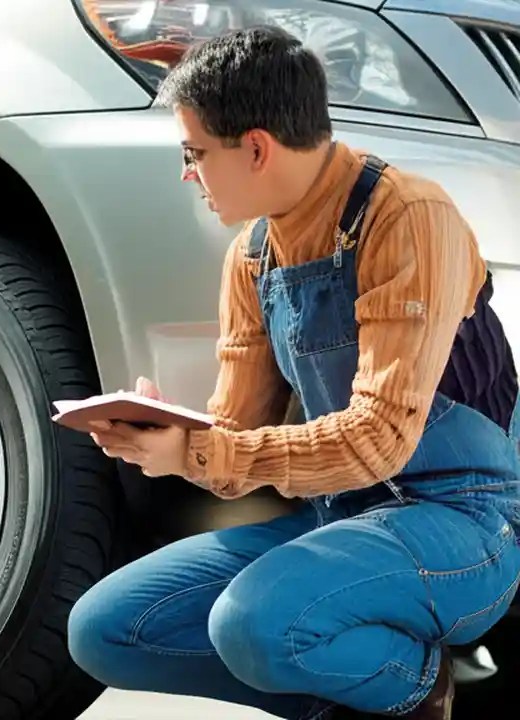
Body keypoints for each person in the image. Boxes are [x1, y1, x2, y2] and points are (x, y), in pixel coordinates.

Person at [67, 25, 520, 720]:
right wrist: (164, 434)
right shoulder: (252, 255)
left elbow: (379, 440)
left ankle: (418, 689)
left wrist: (202, 448)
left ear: (255, 147)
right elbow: (231, 444)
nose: (187, 174)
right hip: (341, 519)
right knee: (105, 631)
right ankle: (341, 689)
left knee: (251, 623)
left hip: (465, 517)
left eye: (194, 154)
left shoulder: (408, 216)